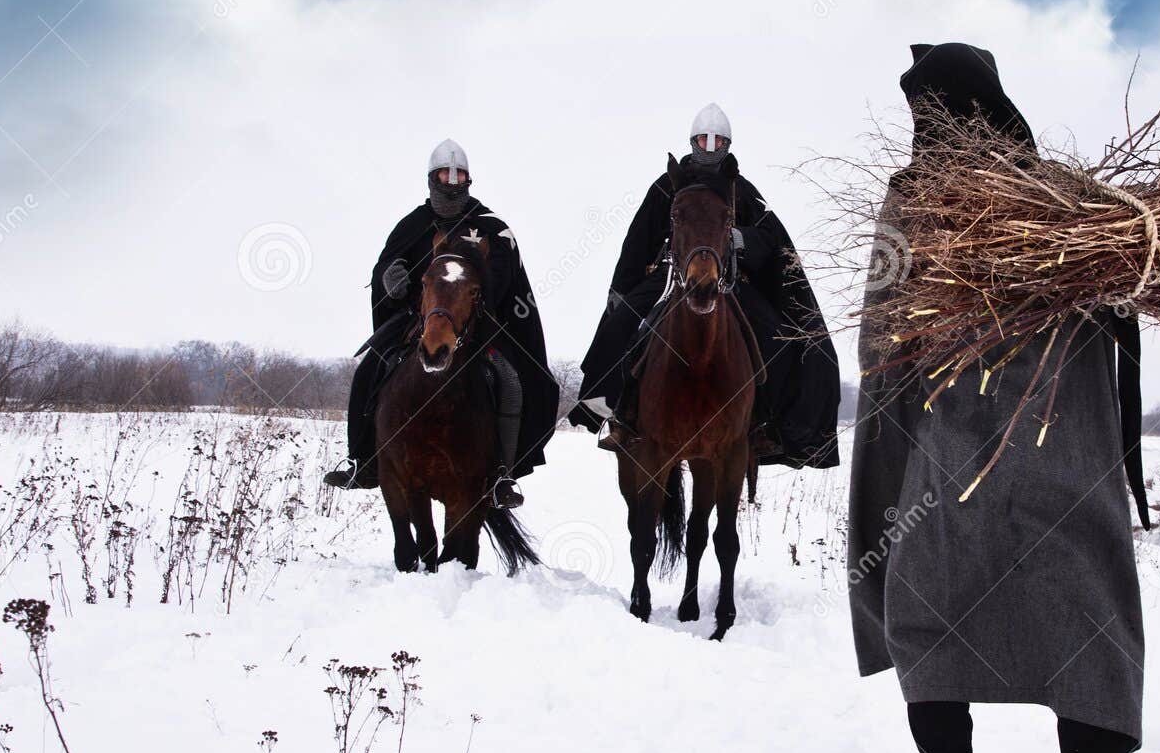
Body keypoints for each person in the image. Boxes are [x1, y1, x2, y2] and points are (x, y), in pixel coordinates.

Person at [847, 44, 1152, 753]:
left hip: (972, 461)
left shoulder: (932, 200)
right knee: (1082, 625)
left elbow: (882, 330)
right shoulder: (1065, 193)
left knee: (929, 615)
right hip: (1045, 457)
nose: (924, 135)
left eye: (930, 115)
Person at [568, 104, 839, 469]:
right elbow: (638, 239)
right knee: (625, 323)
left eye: (718, 140)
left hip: (728, 281)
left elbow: (771, 239)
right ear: (692, 141)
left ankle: (766, 423)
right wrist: (623, 288)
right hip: (669, 274)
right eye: (703, 139)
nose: (709, 146)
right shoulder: (666, 186)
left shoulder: (740, 189)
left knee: (777, 338)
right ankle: (619, 413)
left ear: (728, 144)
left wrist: (740, 240)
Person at [325, 139, 558, 509]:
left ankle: (501, 473)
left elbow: (504, 276)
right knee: (371, 366)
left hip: (480, 324)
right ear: (431, 178)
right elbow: (386, 264)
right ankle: (363, 459)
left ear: (469, 179)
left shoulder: (492, 227)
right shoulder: (413, 226)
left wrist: (472, 297)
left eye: (459, 174)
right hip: (416, 322)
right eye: (445, 174)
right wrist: (391, 278)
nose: (452, 180)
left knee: (512, 381)